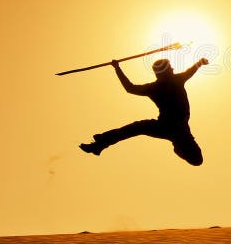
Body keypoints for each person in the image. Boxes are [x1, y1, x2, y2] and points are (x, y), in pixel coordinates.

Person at [79, 57, 209, 166]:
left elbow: (130, 88)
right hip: (172, 127)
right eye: (170, 68)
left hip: (168, 127)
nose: (173, 69)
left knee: (136, 128)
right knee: (137, 128)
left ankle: (100, 144)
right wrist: (200, 62)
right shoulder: (176, 80)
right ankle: (99, 144)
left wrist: (117, 68)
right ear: (165, 71)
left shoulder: (157, 87)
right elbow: (192, 70)